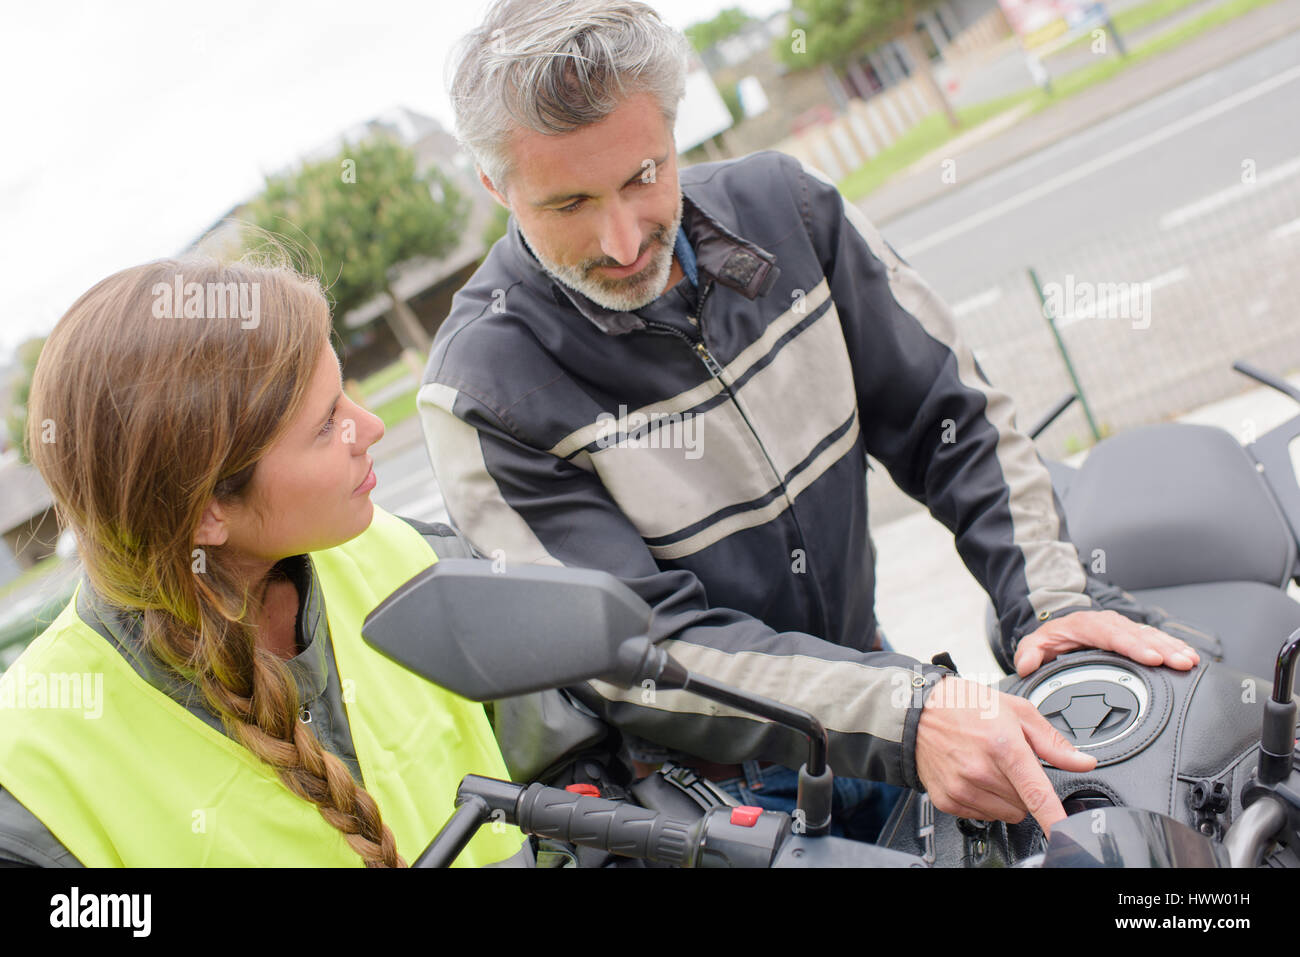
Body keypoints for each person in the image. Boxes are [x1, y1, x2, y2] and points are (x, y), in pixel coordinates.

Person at [420, 0, 1203, 838]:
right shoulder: (480, 387)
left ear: (675, 132)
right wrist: (907, 714)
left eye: (643, 176)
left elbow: (951, 416)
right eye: (569, 202)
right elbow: (636, 651)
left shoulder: (790, 211)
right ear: (496, 186)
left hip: (886, 690)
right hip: (726, 808)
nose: (620, 242)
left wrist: (1049, 607)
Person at [0, 257, 528, 867]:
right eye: (328, 426)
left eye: (345, 395)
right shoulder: (30, 780)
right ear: (206, 513)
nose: (374, 425)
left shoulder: (404, 553)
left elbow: (565, 766)